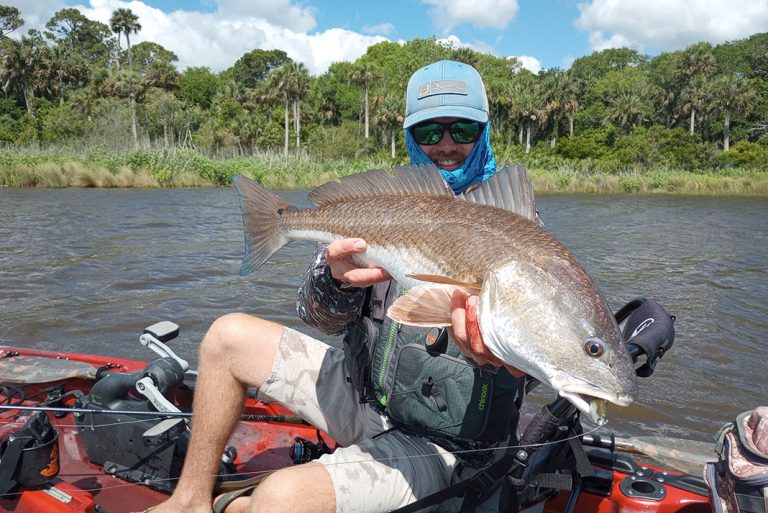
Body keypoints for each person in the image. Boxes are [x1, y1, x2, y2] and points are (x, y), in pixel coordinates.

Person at [148, 60, 525, 513]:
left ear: (484, 130)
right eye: (429, 132)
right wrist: (335, 279)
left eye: (462, 129)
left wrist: (506, 360)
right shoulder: (384, 208)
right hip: (363, 398)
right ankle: (188, 500)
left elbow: (546, 359)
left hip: (443, 446)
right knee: (226, 336)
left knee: (279, 499)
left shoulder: (521, 231)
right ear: (410, 137)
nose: (446, 145)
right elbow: (315, 316)